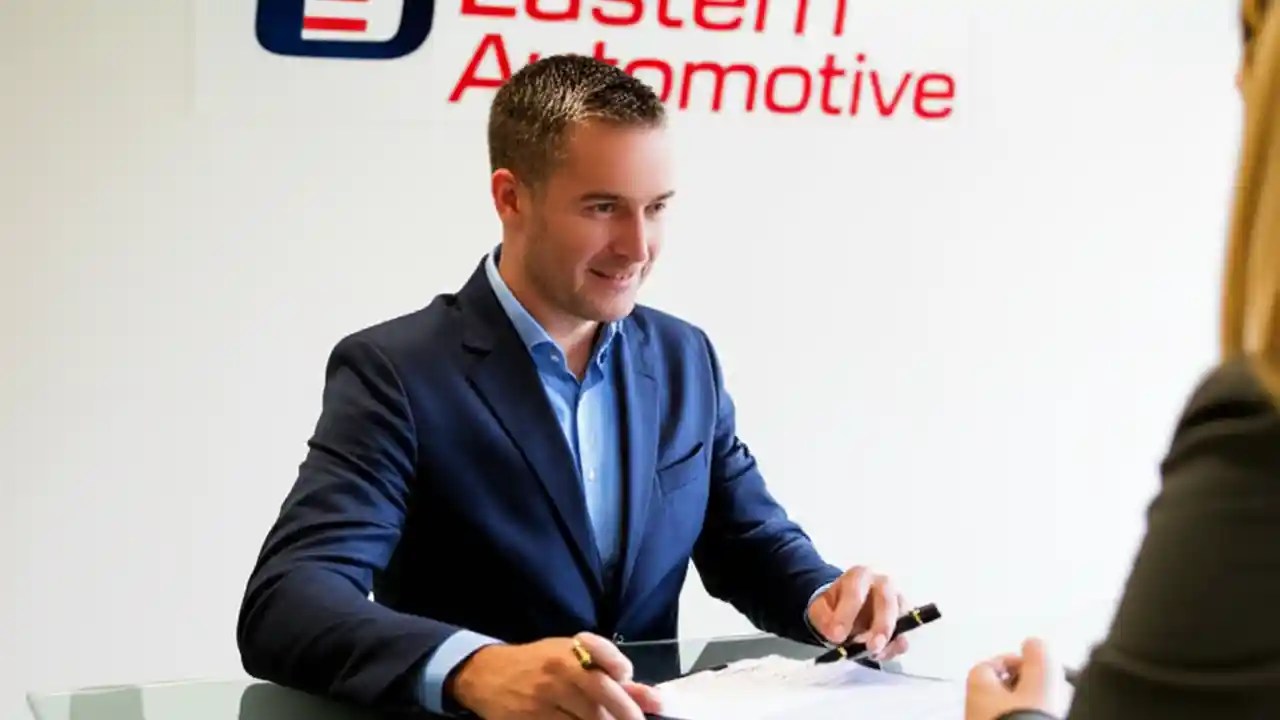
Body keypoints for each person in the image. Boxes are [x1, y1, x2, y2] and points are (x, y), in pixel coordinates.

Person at [236, 54, 912, 720]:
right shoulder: (397, 371)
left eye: (656, 208)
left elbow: (746, 540)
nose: (638, 246)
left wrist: (827, 596)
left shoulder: (683, 356)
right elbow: (289, 599)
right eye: (602, 208)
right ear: (510, 197)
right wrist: (473, 668)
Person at [965, 1, 1280, 718]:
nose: (1236, 78)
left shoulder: (1259, 424)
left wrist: (1011, 718)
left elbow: (752, 531)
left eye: (1252, 46)